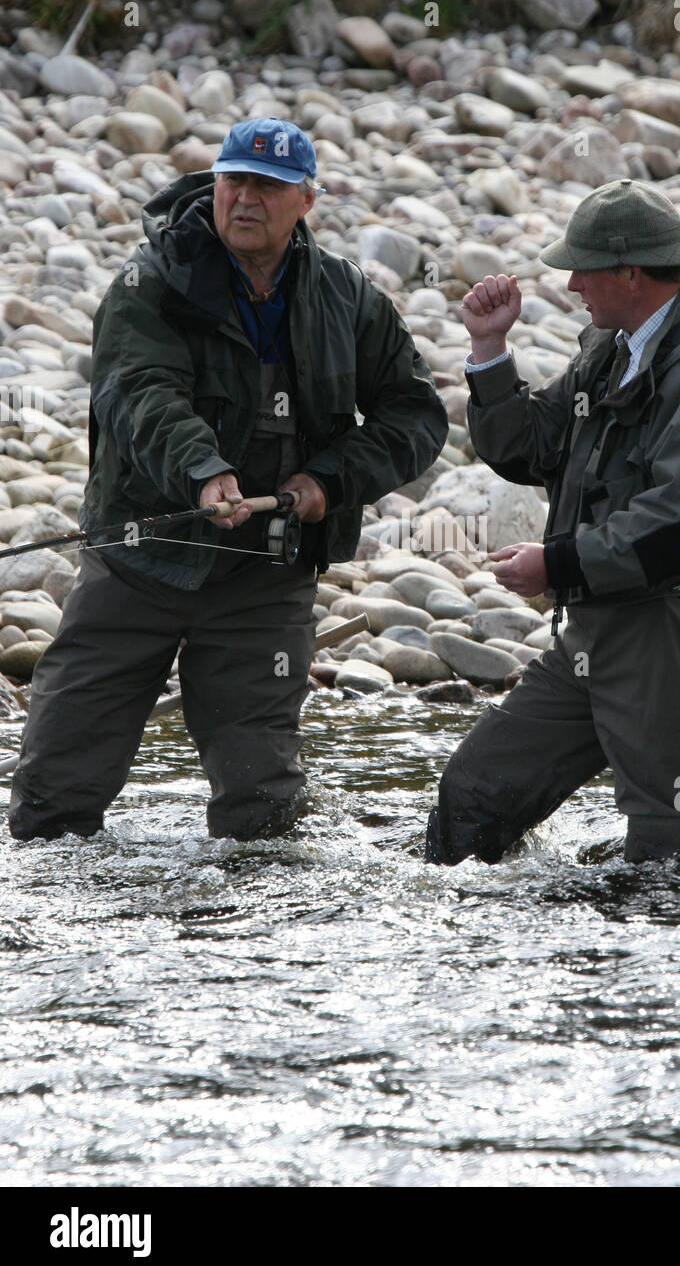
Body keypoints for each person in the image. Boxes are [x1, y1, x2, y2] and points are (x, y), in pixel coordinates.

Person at [8, 117, 448, 843]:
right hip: (140, 560)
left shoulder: (346, 296)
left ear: (307, 200)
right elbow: (139, 392)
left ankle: (254, 934)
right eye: (234, 180)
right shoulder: (150, 282)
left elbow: (416, 413)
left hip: (265, 579)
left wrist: (330, 480)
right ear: (214, 184)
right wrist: (205, 475)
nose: (246, 198)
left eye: (267, 187)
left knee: (263, 810)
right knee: (53, 797)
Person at [426, 178, 680, 866]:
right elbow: (530, 447)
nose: (573, 281)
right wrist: (490, 352)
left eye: (584, 267)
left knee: (672, 856)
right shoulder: (614, 350)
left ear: (631, 274)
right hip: (600, 628)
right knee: (473, 799)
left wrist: (558, 564)